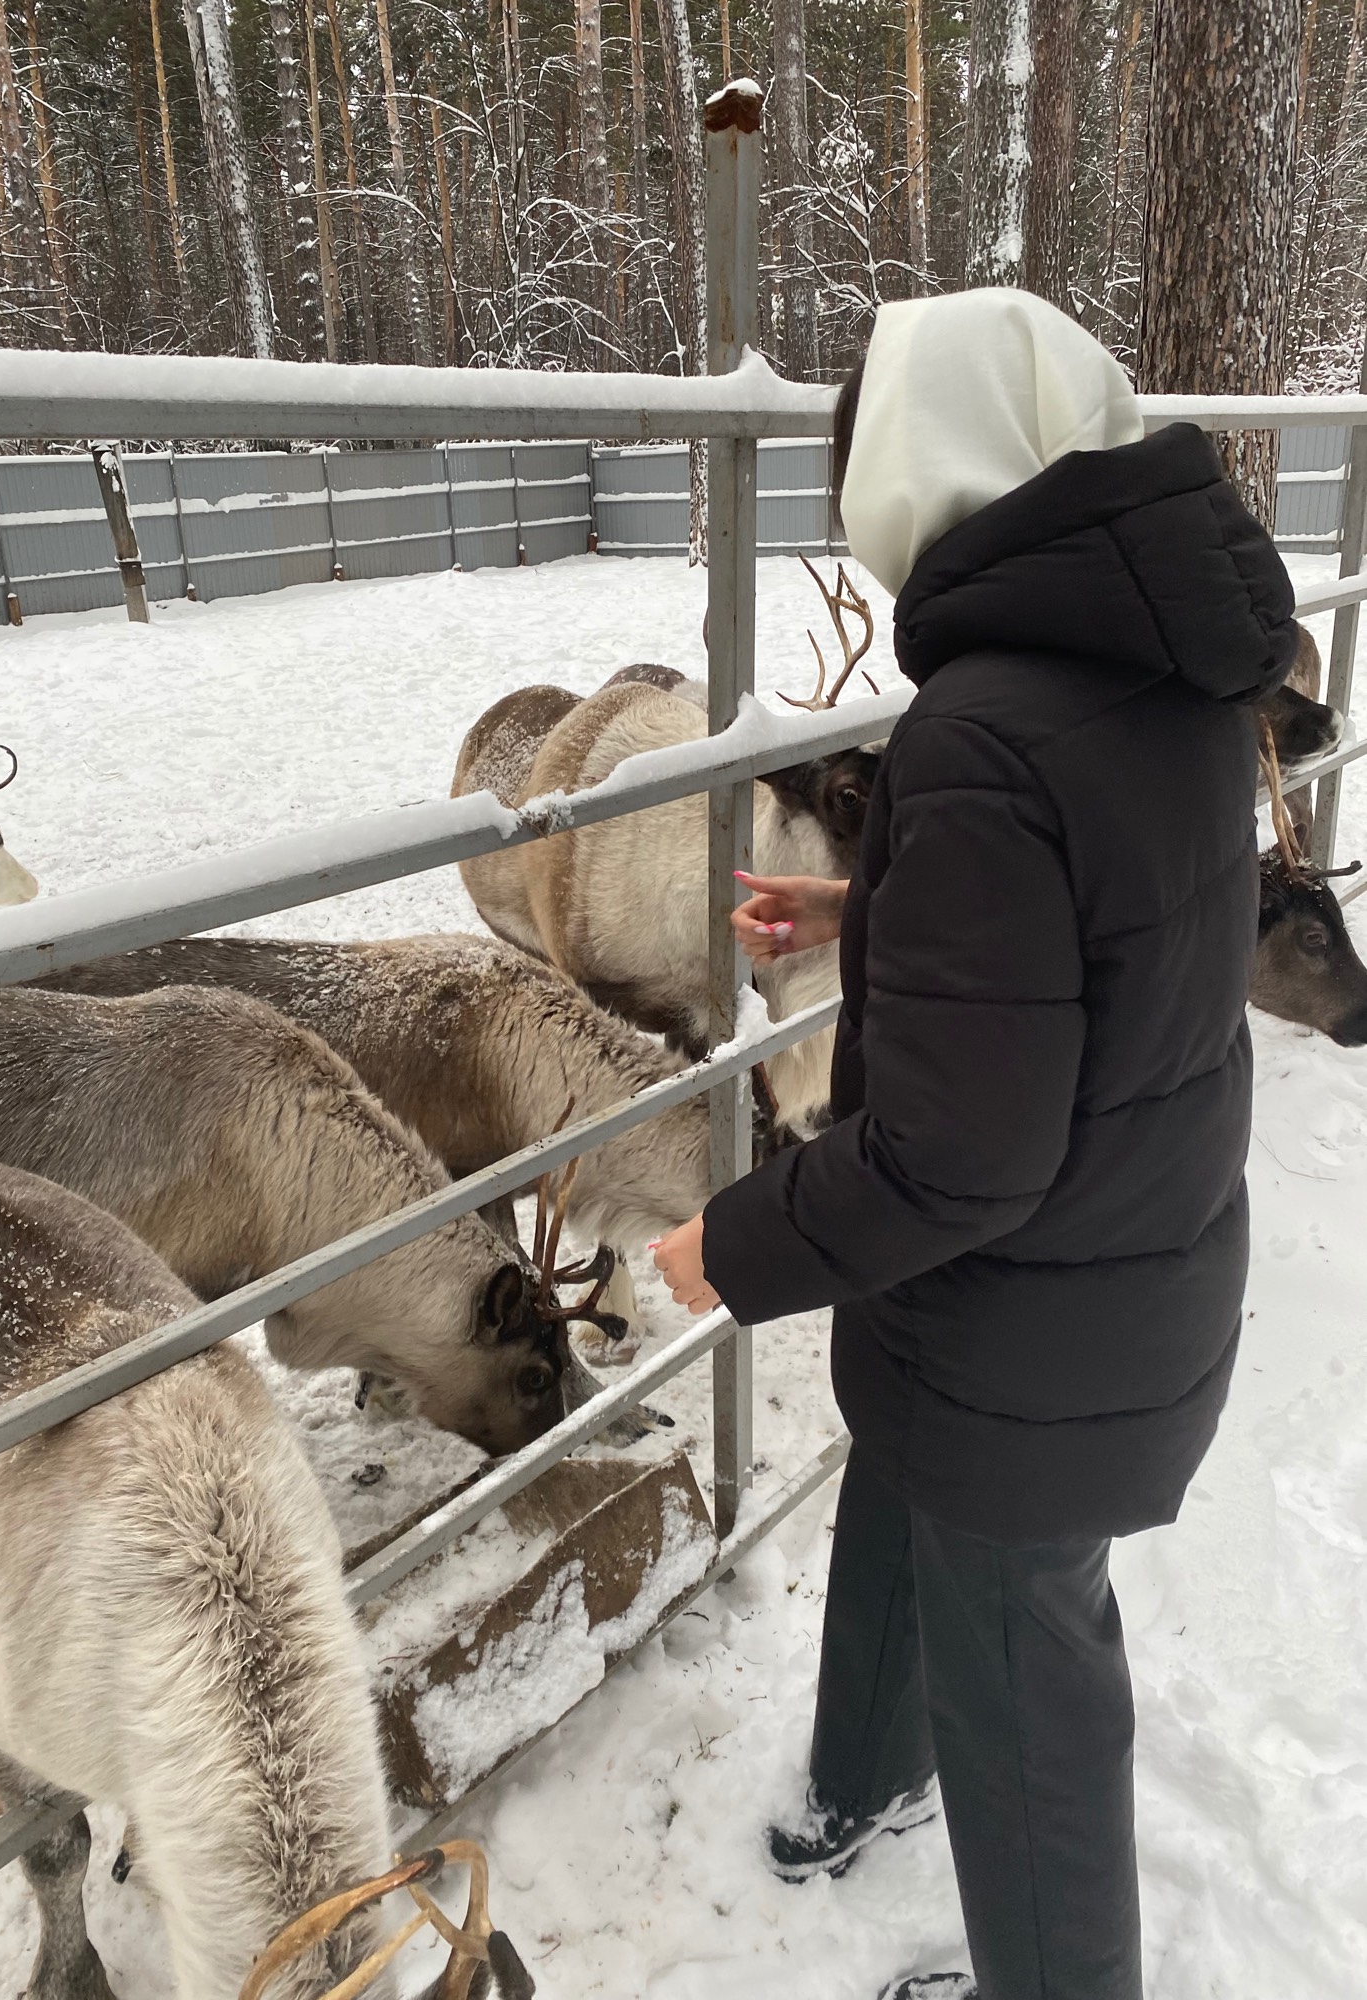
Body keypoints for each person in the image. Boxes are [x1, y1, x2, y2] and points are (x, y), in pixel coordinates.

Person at [652, 288, 1297, 2000]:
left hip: (1026, 1309)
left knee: (1030, 1690)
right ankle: (868, 1775)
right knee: (905, 1487)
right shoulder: (1150, 670)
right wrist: (879, 909)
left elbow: (958, 1157)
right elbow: (1098, 919)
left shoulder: (983, 728)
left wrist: (737, 1242)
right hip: (1105, 1266)